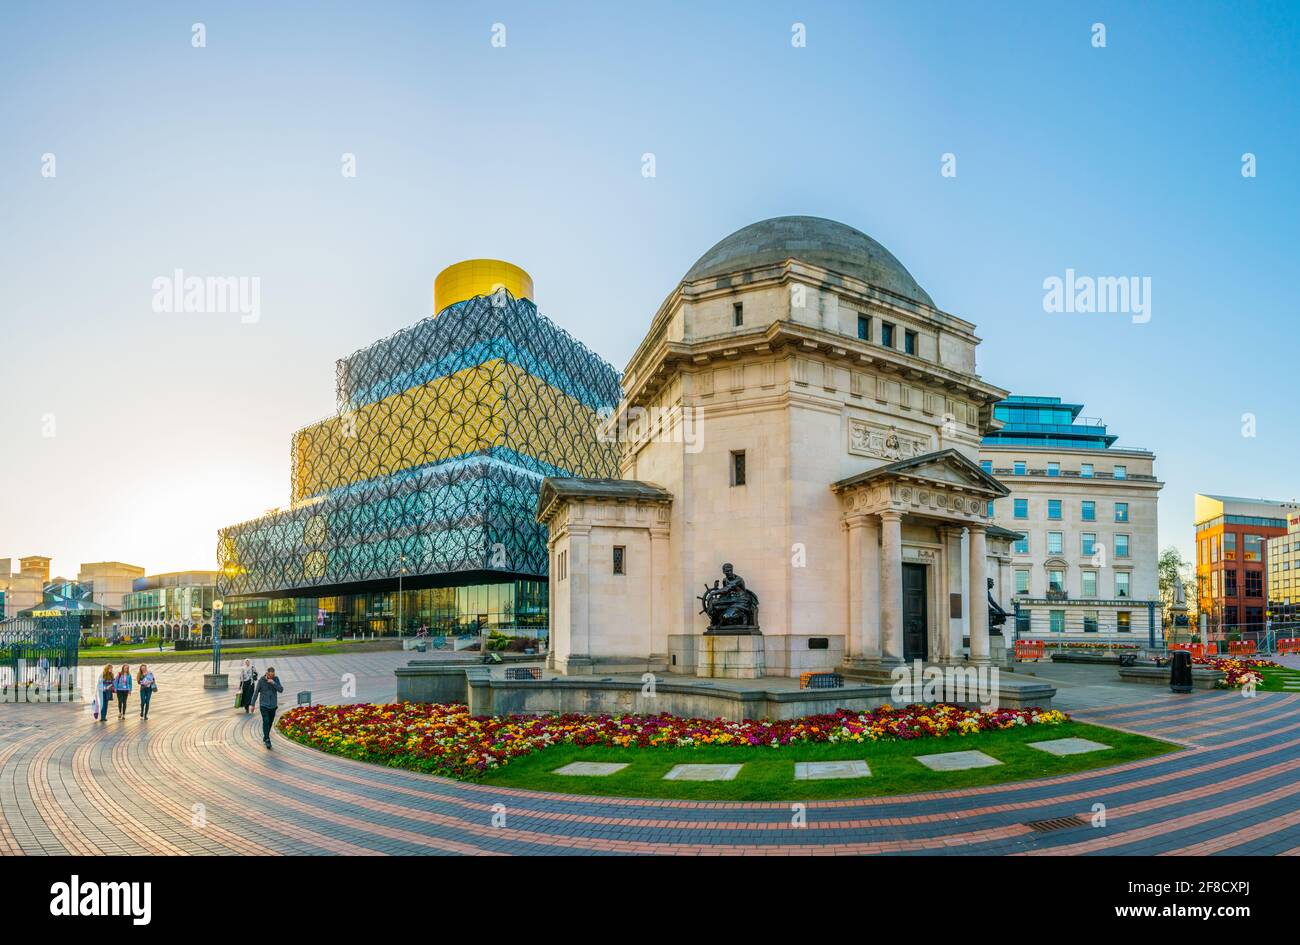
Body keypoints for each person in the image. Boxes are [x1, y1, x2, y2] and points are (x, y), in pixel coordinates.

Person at [252, 666, 283, 749]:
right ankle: (267, 740)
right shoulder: (261, 680)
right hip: (264, 705)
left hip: (273, 706)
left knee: (270, 722)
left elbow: (281, 690)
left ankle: (265, 736)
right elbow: (256, 692)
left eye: (273, 675)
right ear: (267, 673)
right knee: (266, 721)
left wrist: (273, 683)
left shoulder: (276, 679)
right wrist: (252, 704)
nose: (272, 676)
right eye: (270, 675)